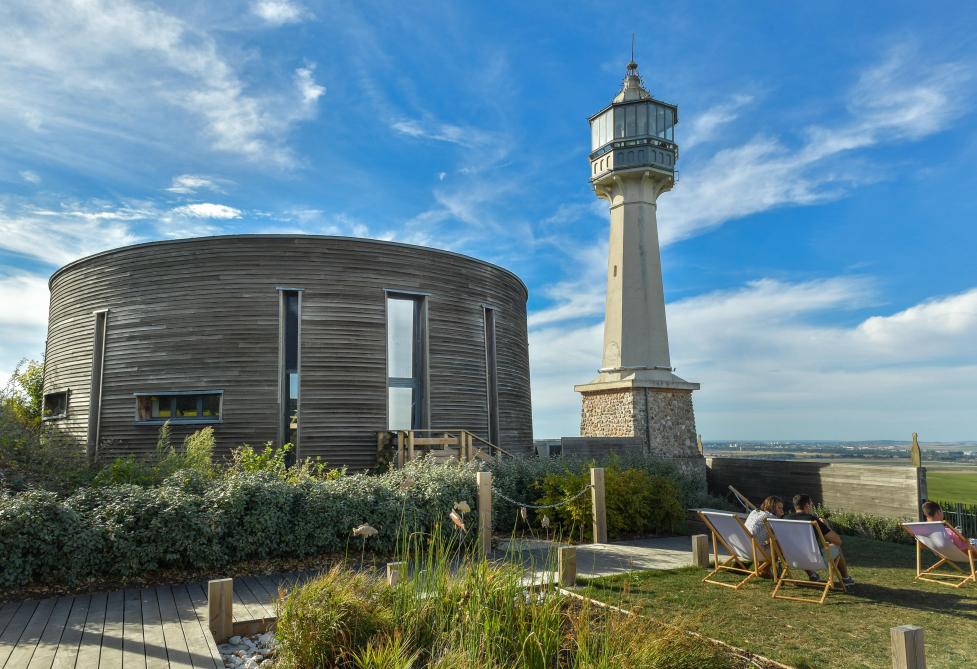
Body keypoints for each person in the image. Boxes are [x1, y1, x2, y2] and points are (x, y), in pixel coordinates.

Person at [786, 494, 854, 586]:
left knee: (799, 548)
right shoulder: (812, 520)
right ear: (807, 505)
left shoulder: (785, 519)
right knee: (837, 547)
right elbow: (837, 541)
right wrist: (826, 526)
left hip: (793, 559)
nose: (812, 507)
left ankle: (813, 575)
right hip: (815, 561)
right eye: (811, 504)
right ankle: (846, 579)